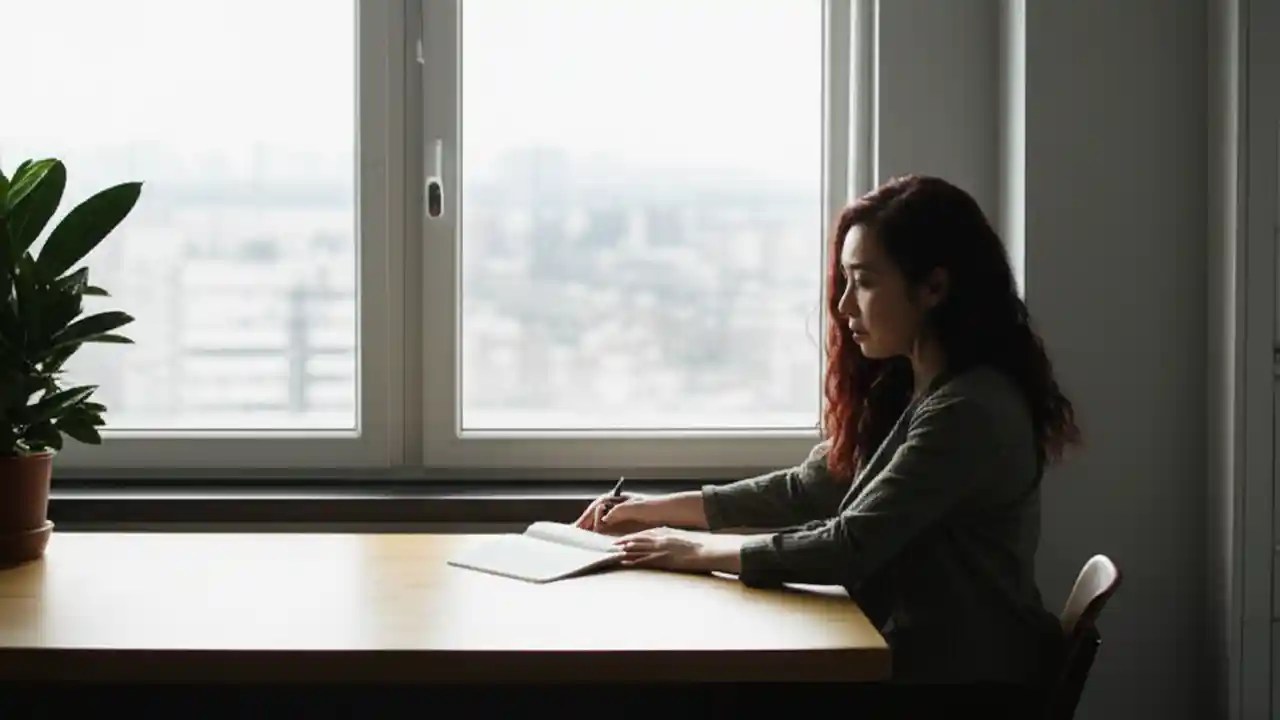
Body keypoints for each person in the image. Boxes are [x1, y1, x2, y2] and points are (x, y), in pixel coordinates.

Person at [574, 174, 1080, 715]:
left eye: (861, 281)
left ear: (933, 288)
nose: (841, 306)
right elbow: (810, 487)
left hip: (964, 687)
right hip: (916, 661)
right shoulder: (912, 386)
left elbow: (849, 547)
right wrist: (648, 511)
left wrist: (692, 551)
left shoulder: (969, 410)